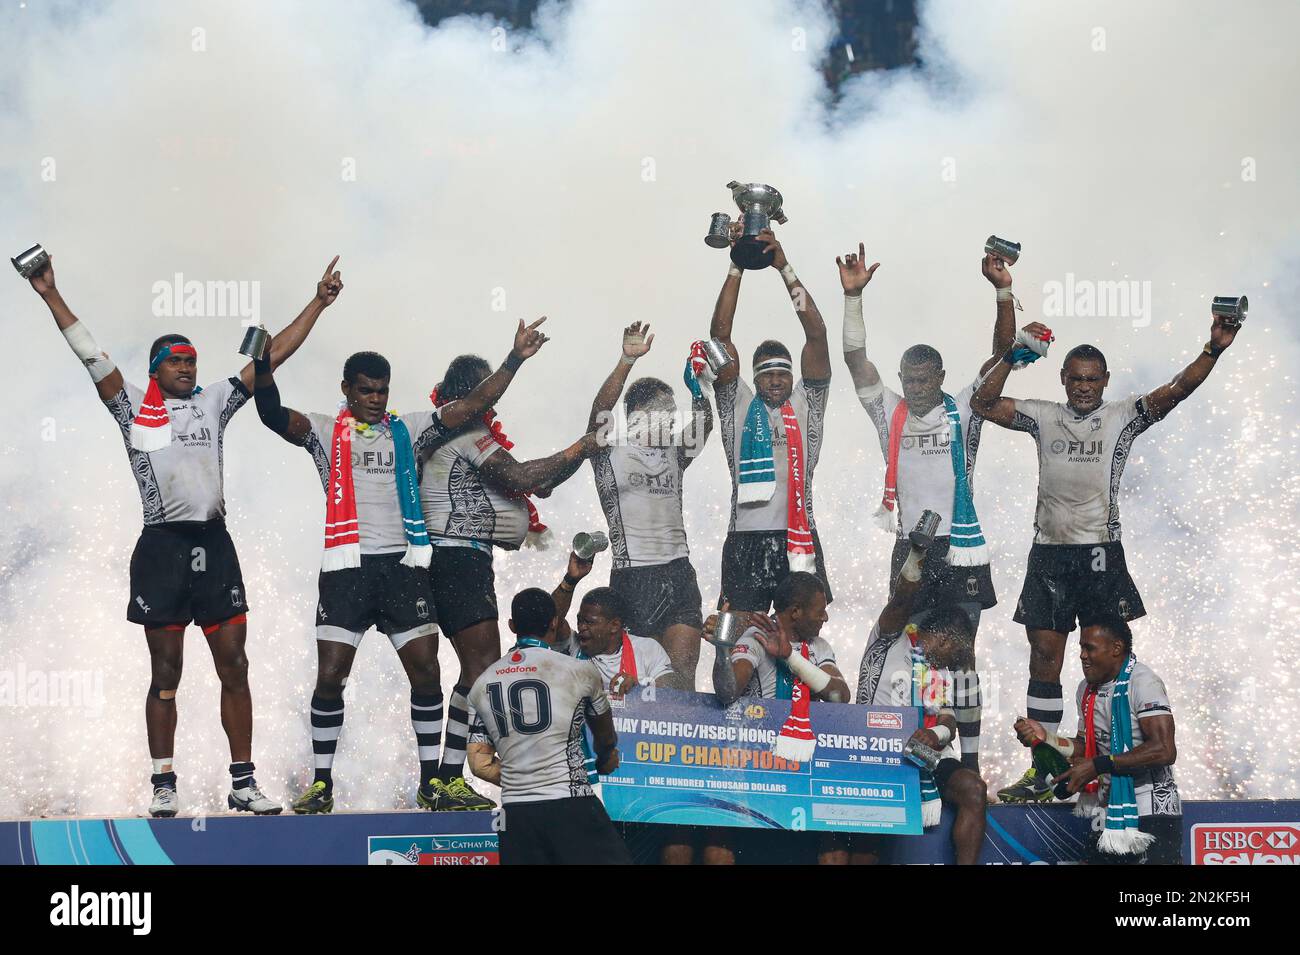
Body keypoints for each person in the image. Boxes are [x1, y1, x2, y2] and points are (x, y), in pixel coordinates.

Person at [27, 252, 340, 817]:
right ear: (155, 369)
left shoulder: (214, 401)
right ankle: (163, 782)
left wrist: (318, 301)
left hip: (215, 546)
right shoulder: (131, 407)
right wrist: (51, 293)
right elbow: (91, 354)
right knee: (165, 671)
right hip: (161, 549)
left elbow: (272, 355)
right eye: (177, 362)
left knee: (235, 667)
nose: (189, 368)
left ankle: (243, 783)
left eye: (193, 361)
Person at [252, 317, 552, 813]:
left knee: (428, 675)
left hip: (402, 569)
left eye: (382, 391)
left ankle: (432, 782)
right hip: (346, 569)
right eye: (365, 390)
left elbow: (473, 406)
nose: (375, 398)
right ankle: (322, 783)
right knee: (330, 677)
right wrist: (263, 366)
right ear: (346, 389)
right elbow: (268, 414)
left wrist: (515, 357)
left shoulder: (409, 429)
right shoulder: (324, 432)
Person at [973, 306, 1240, 801]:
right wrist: (1011, 356)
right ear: (1063, 378)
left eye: (1092, 380)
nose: (1083, 388)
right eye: (1075, 379)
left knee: (1106, 660)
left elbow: (1178, 389)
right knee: (1044, 659)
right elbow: (983, 404)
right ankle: (1045, 767)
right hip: (1050, 554)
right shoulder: (1042, 415)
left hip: (1100, 554)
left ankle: (1107, 763)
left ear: (1105, 380)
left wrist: (1213, 349)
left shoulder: (1122, 416)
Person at [838, 244, 1025, 774]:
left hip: (961, 548)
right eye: (909, 381)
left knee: (961, 656)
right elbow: (855, 360)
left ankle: (968, 764)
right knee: (907, 647)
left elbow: (1003, 358)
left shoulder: (964, 408)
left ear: (941, 377)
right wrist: (853, 300)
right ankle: (905, 743)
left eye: (925, 380)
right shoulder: (888, 412)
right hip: (912, 547)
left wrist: (1002, 291)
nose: (916, 390)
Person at [419, 344, 603, 807]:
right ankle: (443, 779)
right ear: (470, 395)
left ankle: (443, 778)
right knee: (480, 670)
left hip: (464, 560)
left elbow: (538, 482)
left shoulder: (466, 435)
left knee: (475, 671)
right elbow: (523, 479)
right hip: (456, 559)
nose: (495, 402)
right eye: (488, 392)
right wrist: (583, 445)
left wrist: (579, 452)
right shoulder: (463, 434)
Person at [709, 227, 832, 612]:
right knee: (738, 638)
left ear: (793, 377)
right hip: (746, 538)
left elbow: (817, 334)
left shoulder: (807, 401)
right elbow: (719, 335)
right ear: (755, 377)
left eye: (783, 373)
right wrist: (738, 263)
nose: (776, 380)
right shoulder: (738, 404)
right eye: (767, 374)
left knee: (803, 638)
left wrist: (784, 268)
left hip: (798, 536)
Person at [854, 514, 989, 865]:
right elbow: (901, 601)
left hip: (926, 757)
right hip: (877, 753)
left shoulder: (935, 670)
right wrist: (916, 554)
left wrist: (937, 736)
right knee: (868, 840)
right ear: (944, 639)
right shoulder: (888, 641)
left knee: (974, 790)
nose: (954, 664)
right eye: (956, 654)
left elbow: (948, 719)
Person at [586, 321, 712, 690]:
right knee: (636, 682)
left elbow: (704, 426)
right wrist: (627, 360)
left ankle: (679, 745)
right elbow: (598, 411)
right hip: (634, 577)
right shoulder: (610, 450)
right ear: (637, 415)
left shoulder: (676, 452)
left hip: (678, 573)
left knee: (680, 680)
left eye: (673, 412)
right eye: (663, 411)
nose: (672, 419)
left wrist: (699, 388)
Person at [466, 588, 632, 864]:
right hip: (569, 802)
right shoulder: (579, 671)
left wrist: (522, 781)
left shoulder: (482, 683)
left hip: (516, 814)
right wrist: (606, 757)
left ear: (512, 626)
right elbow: (604, 736)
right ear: (554, 622)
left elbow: (478, 763)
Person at [706, 572, 851, 864]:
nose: (825, 617)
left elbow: (840, 696)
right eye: (820, 609)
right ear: (795, 611)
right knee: (718, 838)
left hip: (806, 762)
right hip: (759, 763)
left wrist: (790, 657)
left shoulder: (819, 647)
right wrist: (723, 651)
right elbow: (727, 692)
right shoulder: (755, 638)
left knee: (836, 837)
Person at [1014, 617, 1181, 864]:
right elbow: (1086, 745)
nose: (1082, 655)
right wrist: (1045, 738)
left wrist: (1098, 765)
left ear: (1116, 648)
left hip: (1152, 811)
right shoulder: (1086, 688)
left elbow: (1164, 750)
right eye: (1081, 647)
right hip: (1109, 810)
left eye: (1089, 648)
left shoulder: (1144, 682)